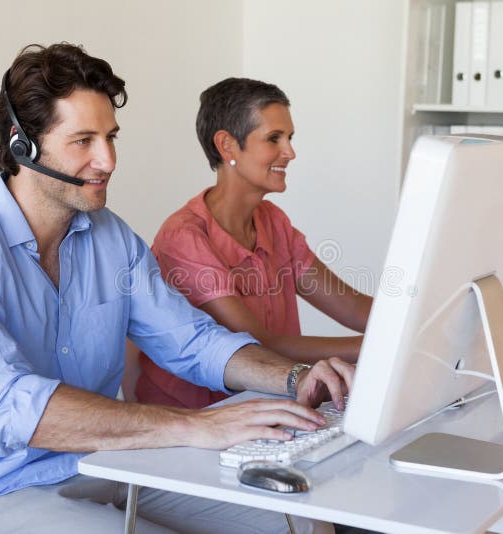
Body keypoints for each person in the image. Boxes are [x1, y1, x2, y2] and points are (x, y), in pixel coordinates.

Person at [0, 43, 352, 534]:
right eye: (83, 141)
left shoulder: (110, 237)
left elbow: (192, 341)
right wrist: (194, 426)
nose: (107, 160)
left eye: (110, 137)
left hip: (101, 461)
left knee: (303, 522)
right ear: (22, 145)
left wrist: (295, 378)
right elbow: (6, 406)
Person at [133, 77, 372, 409]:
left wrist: (422, 322)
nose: (290, 152)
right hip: (197, 416)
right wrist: (377, 346)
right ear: (227, 145)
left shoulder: (273, 221)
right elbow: (258, 344)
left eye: (289, 138)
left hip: (268, 404)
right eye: (274, 138)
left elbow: (352, 307)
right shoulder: (185, 237)